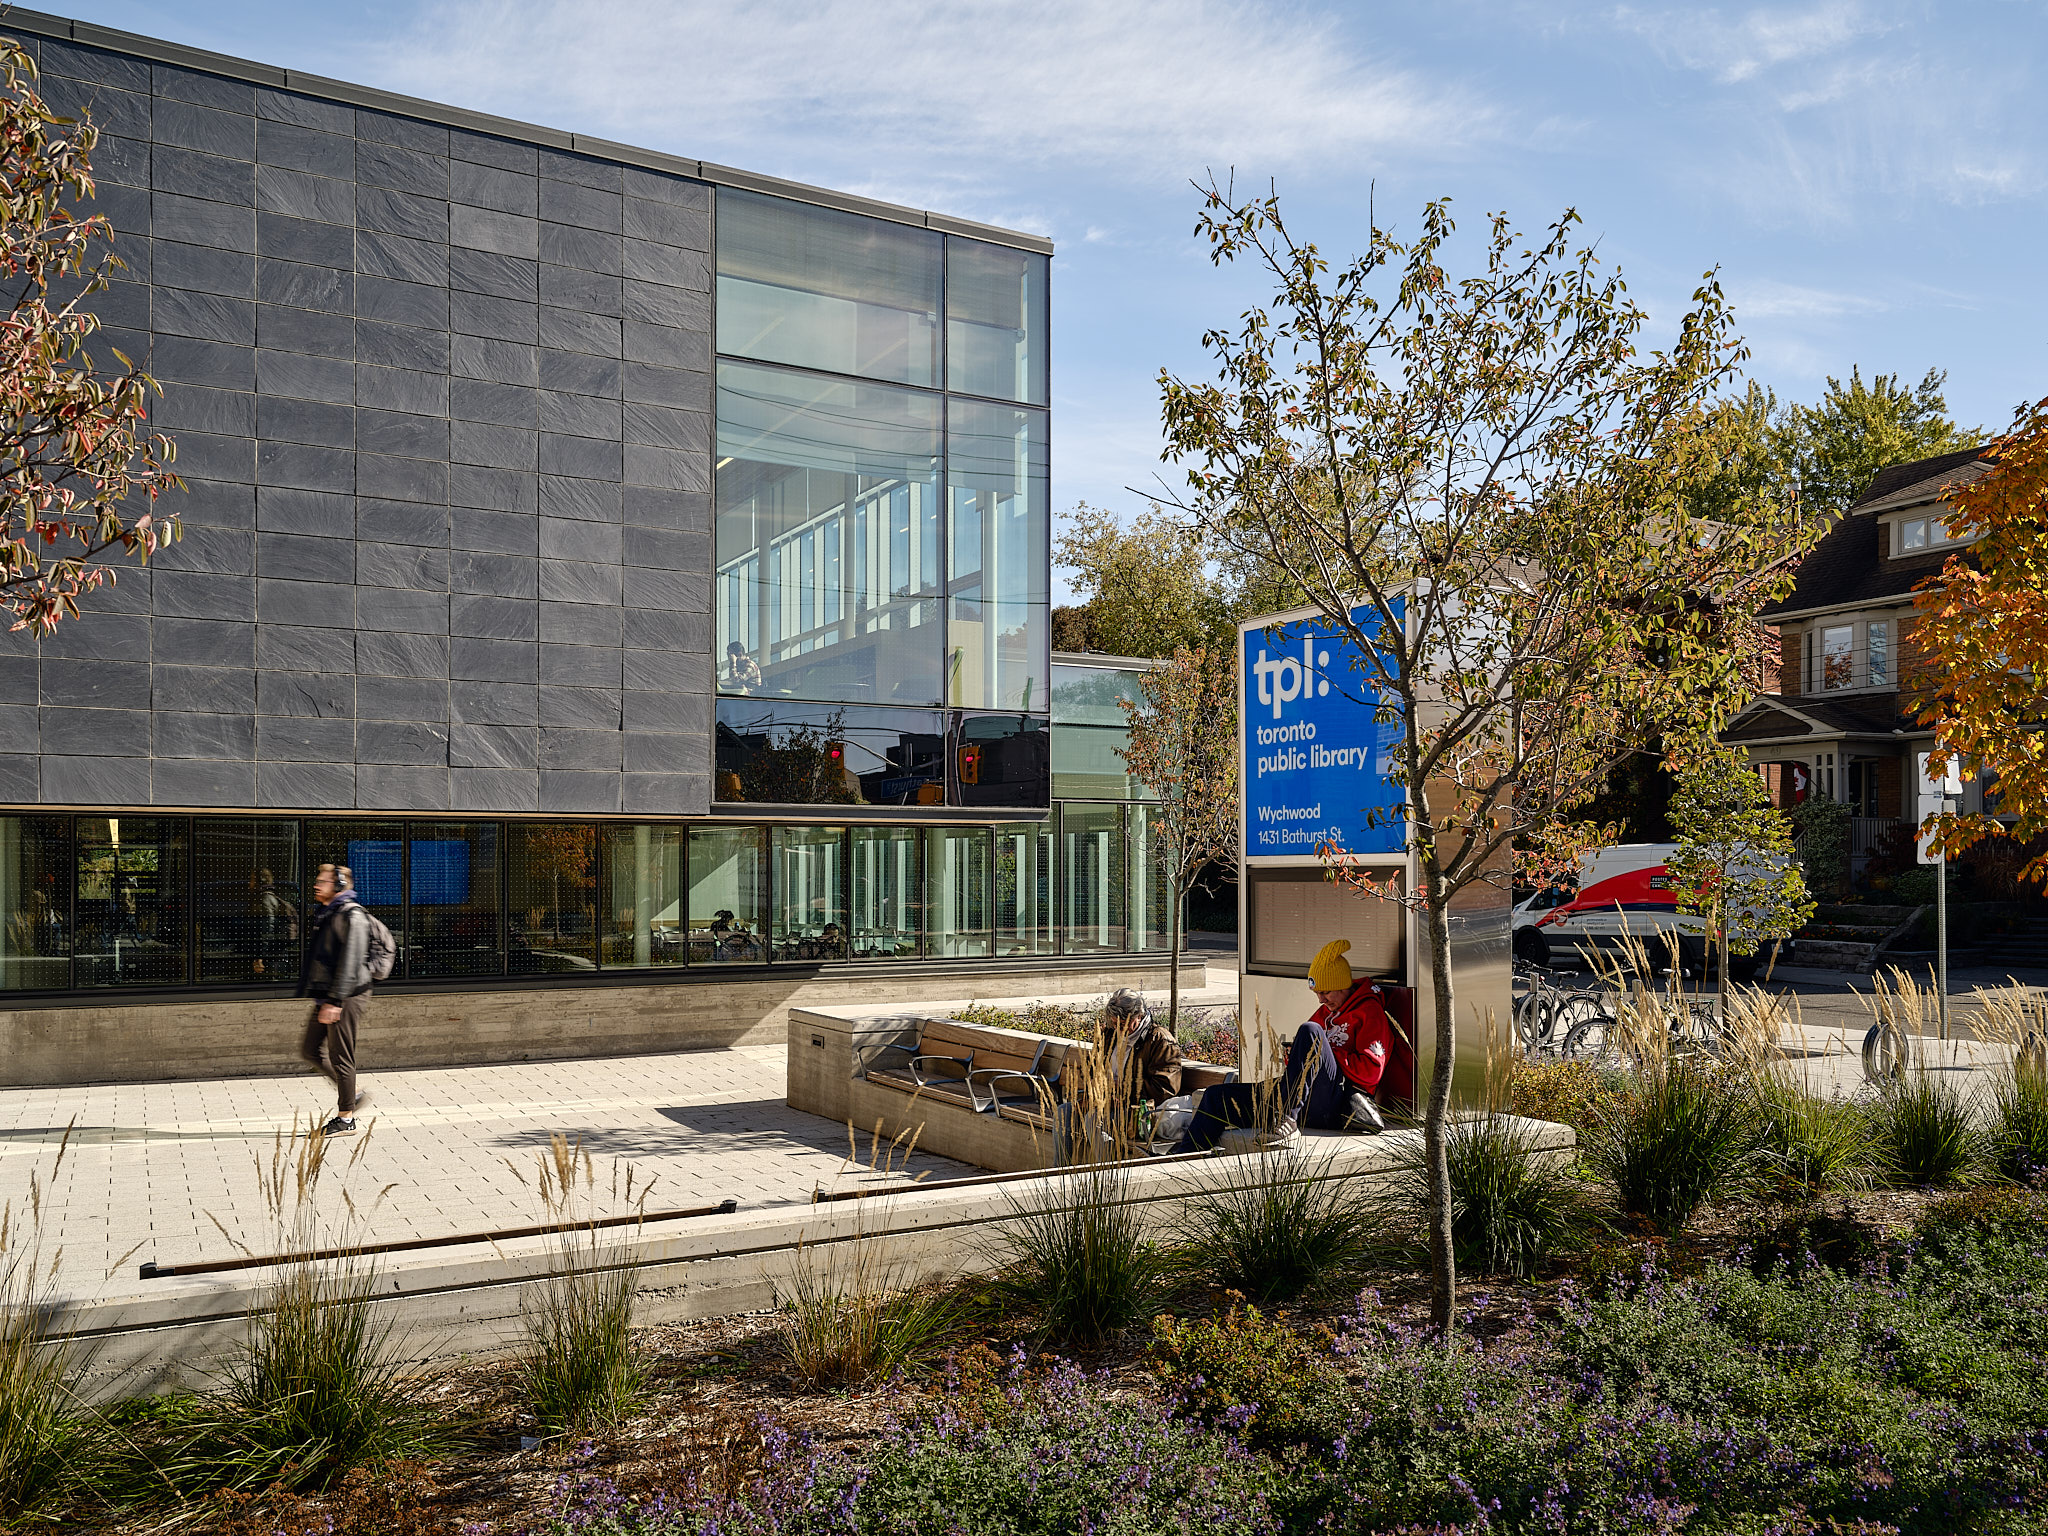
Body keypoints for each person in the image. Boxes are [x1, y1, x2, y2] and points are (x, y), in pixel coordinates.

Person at [1169, 939, 1392, 1153]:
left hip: (1334, 1103)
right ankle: (1181, 1158)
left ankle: (1287, 1119)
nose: (1321, 1000)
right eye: (1317, 994)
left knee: (1310, 1031)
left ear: (1342, 985)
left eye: (1326, 992)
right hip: (1297, 1099)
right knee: (1216, 1096)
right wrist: (1296, 1055)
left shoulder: (1369, 1012)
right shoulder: (1326, 1011)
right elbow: (1305, 1064)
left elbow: (1370, 1073)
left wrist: (1325, 1053)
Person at [296, 863, 375, 1135]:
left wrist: (336, 1001)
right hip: (329, 994)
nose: (317, 885)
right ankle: (353, 1095)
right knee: (309, 1049)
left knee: (341, 1056)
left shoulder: (350, 915)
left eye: (323, 881)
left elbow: (351, 961)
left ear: (340, 885)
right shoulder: (329, 913)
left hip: (346, 995)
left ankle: (346, 1118)